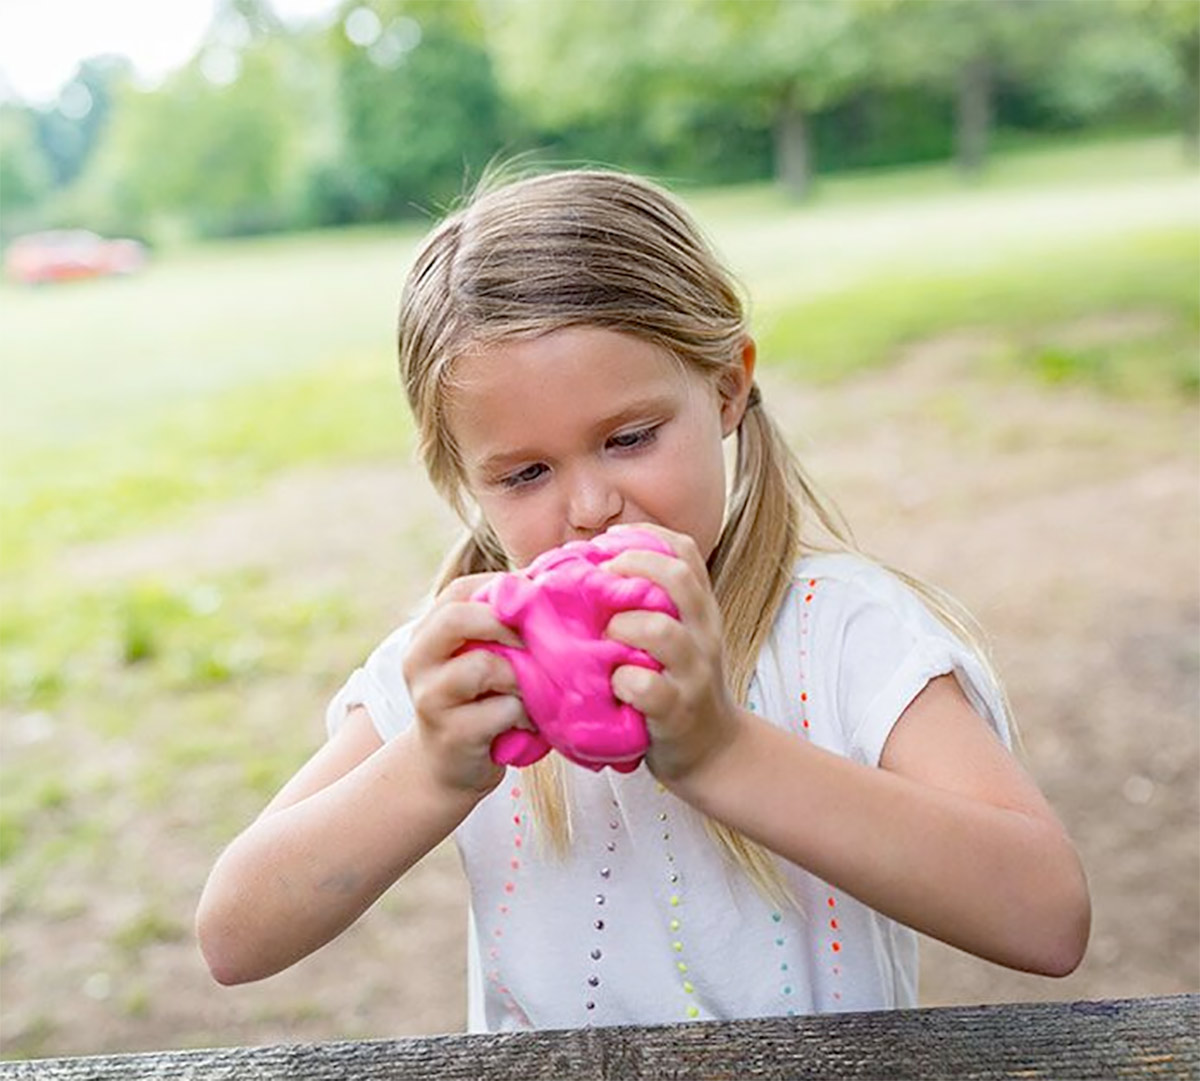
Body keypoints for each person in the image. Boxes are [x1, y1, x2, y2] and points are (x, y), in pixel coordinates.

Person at [196, 168, 1090, 1031]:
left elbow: (1046, 917)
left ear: (727, 386)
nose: (588, 509)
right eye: (525, 473)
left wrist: (721, 751)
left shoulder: (843, 633)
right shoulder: (458, 675)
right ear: (464, 479)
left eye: (629, 438)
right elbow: (235, 933)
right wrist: (428, 767)